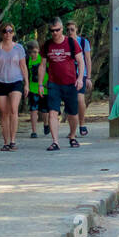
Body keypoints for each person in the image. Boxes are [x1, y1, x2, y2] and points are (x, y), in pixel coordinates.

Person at [39, 17, 84, 149]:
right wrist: (41, 84)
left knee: (73, 113)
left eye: (57, 30)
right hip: (53, 84)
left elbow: (80, 62)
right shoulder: (47, 45)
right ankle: (55, 141)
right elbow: (42, 66)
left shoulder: (71, 43)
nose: (55, 33)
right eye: (52, 31)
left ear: (62, 29)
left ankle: (73, 136)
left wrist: (80, 78)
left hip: (70, 83)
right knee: (53, 112)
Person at [0, 23, 26, 150]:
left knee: (14, 109)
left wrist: (27, 84)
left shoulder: (19, 48)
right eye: (5, 31)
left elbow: (23, 66)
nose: (7, 33)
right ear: (1, 33)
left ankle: (13, 140)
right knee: (4, 112)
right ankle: (6, 142)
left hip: (16, 81)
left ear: (13, 33)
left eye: (10, 31)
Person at [65, 21, 93, 138]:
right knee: (70, 102)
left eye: (72, 29)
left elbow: (87, 59)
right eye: (68, 30)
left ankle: (82, 124)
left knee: (80, 99)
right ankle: (73, 130)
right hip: (67, 74)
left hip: (81, 73)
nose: (70, 32)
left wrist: (89, 77)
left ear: (76, 29)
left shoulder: (83, 41)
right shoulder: (64, 42)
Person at [25, 40, 45, 138]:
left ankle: (46, 124)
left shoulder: (43, 59)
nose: (33, 54)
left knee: (45, 110)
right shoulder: (27, 60)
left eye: (35, 52)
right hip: (33, 88)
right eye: (30, 52)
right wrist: (26, 86)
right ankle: (34, 131)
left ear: (38, 50)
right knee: (33, 110)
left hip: (44, 88)